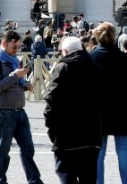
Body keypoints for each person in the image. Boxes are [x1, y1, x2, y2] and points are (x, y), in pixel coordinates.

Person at [0, 29, 42, 184]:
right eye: (14, 47)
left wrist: (25, 85)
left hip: (20, 111)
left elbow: (14, 83)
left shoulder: (15, 60)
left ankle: (34, 180)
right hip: (4, 113)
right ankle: (0, 181)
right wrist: (16, 75)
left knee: (28, 148)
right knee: (3, 151)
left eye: (19, 46)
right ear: (4, 43)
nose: (17, 50)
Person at [43, 36, 103, 183]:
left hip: (67, 136)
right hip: (91, 136)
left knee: (66, 175)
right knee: (88, 179)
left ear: (65, 51)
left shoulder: (62, 68)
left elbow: (51, 101)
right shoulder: (96, 67)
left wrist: (51, 130)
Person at [88, 22, 127, 184]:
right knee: (123, 150)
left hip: (98, 109)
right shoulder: (125, 58)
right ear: (114, 36)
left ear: (97, 37)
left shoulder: (91, 57)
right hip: (120, 108)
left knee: (99, 152)